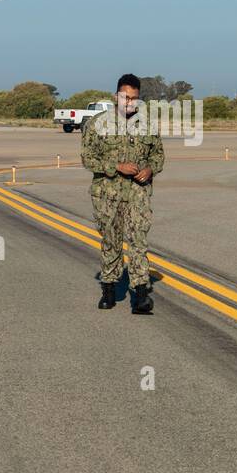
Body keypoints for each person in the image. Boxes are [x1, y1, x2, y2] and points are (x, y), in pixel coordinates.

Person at [79, 74, 165, 314]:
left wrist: (150, 169)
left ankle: (140, 295)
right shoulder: (97, 124)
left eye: (135, 99)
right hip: (107, 193)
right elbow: (88, 158)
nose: (130, 103)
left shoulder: (147, 124)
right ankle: (109, 288)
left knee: (138, 242)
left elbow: (158, 155)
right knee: (111, 241)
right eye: (126, 98)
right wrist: (116, 167)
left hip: (138, 193)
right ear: (116, 96)